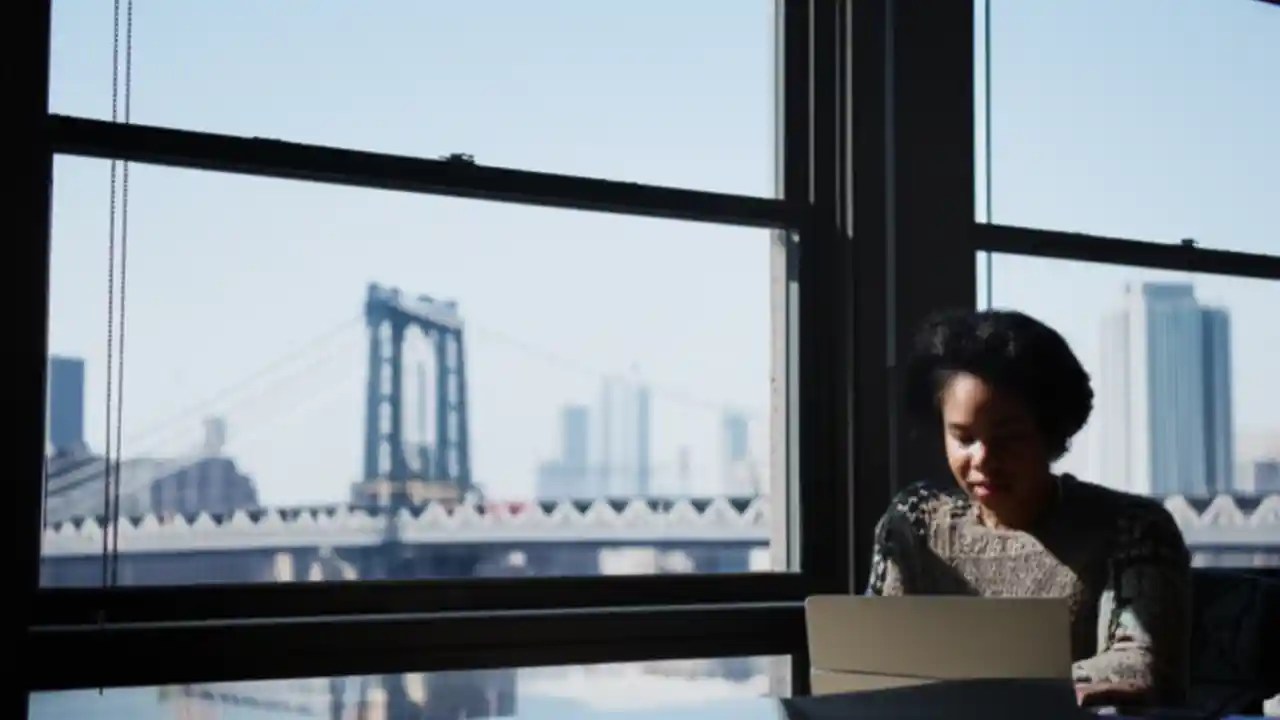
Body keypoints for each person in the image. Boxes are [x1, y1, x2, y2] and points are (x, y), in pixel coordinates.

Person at [866, 308, 1191, 709]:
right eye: (963, 437)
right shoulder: (915, 522)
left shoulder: (1134, 528)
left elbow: (1142, 664)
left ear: (1051, 433)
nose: (982, 459)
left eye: (1009, 439)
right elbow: (875, 653)